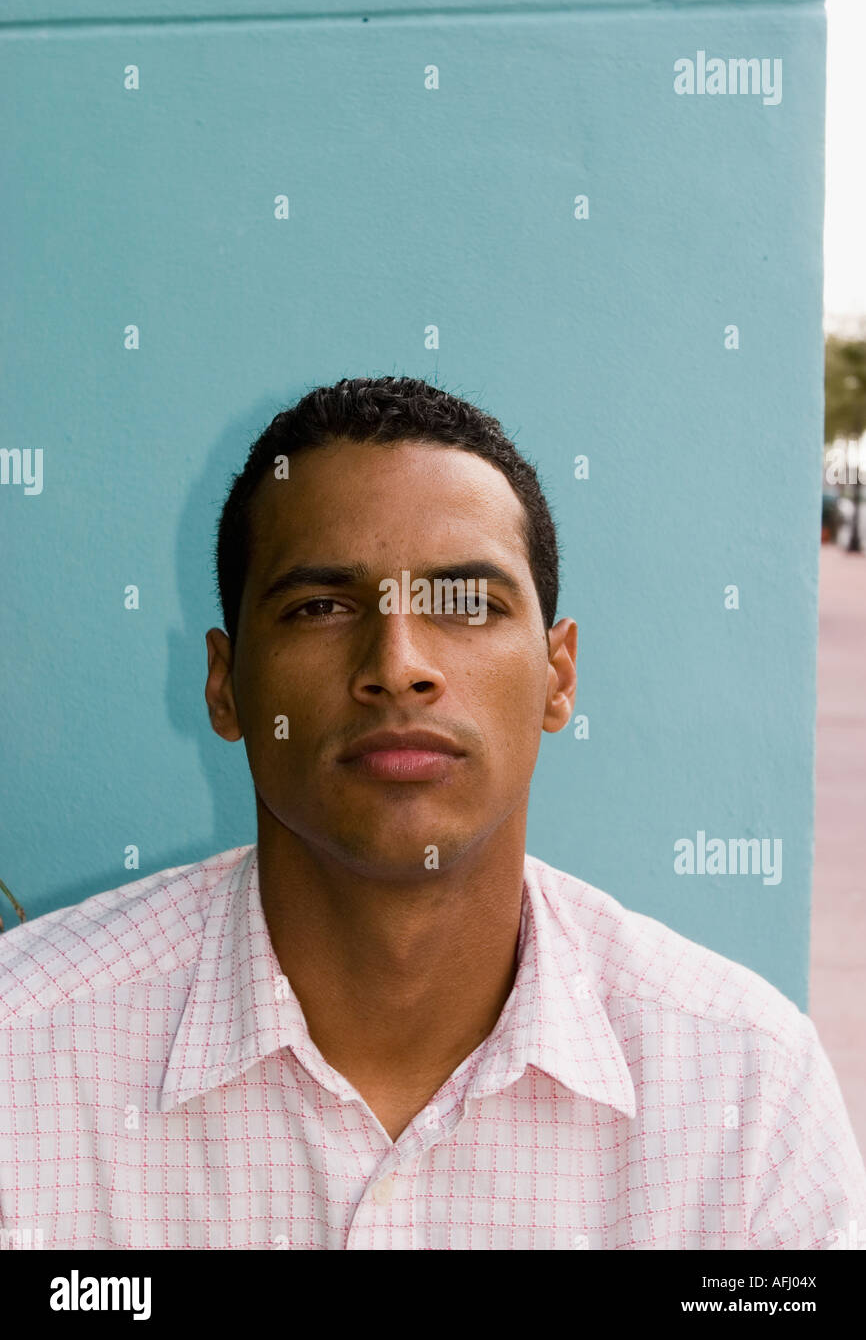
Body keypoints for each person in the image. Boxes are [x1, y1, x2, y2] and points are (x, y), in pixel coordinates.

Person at [1, 375, 864, 1250]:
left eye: (466, 604)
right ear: (227, 685)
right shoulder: (21, 1060)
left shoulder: (746, 1097)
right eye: (322, 606)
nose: (400, 664)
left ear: (557, 676)